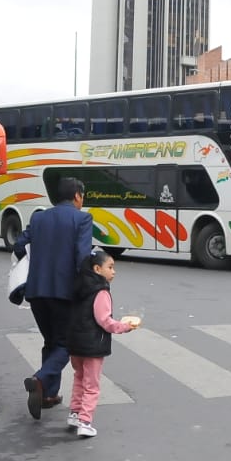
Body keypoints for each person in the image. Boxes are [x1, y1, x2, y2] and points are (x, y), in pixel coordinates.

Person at [13, 176, 94, 420]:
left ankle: (48, 394)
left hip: (36, 292)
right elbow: (82, 257)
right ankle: (40, 379)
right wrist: (91, 287)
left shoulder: (39, 217)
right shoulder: (82, 218)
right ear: (78, 196)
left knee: (51, 341)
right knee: (66, 344)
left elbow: (19, 246)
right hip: (65, 292)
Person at [66, 248, 141, 438]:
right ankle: (85, 421)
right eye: (110, 267)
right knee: (92, 385)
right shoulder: (101, 292)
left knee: (79, 378)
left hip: (75, 342)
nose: (114, 271)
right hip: (92, 345)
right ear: (97, 269)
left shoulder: (79, 286)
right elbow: (104, 321)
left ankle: (75, 413)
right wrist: (125, 326)